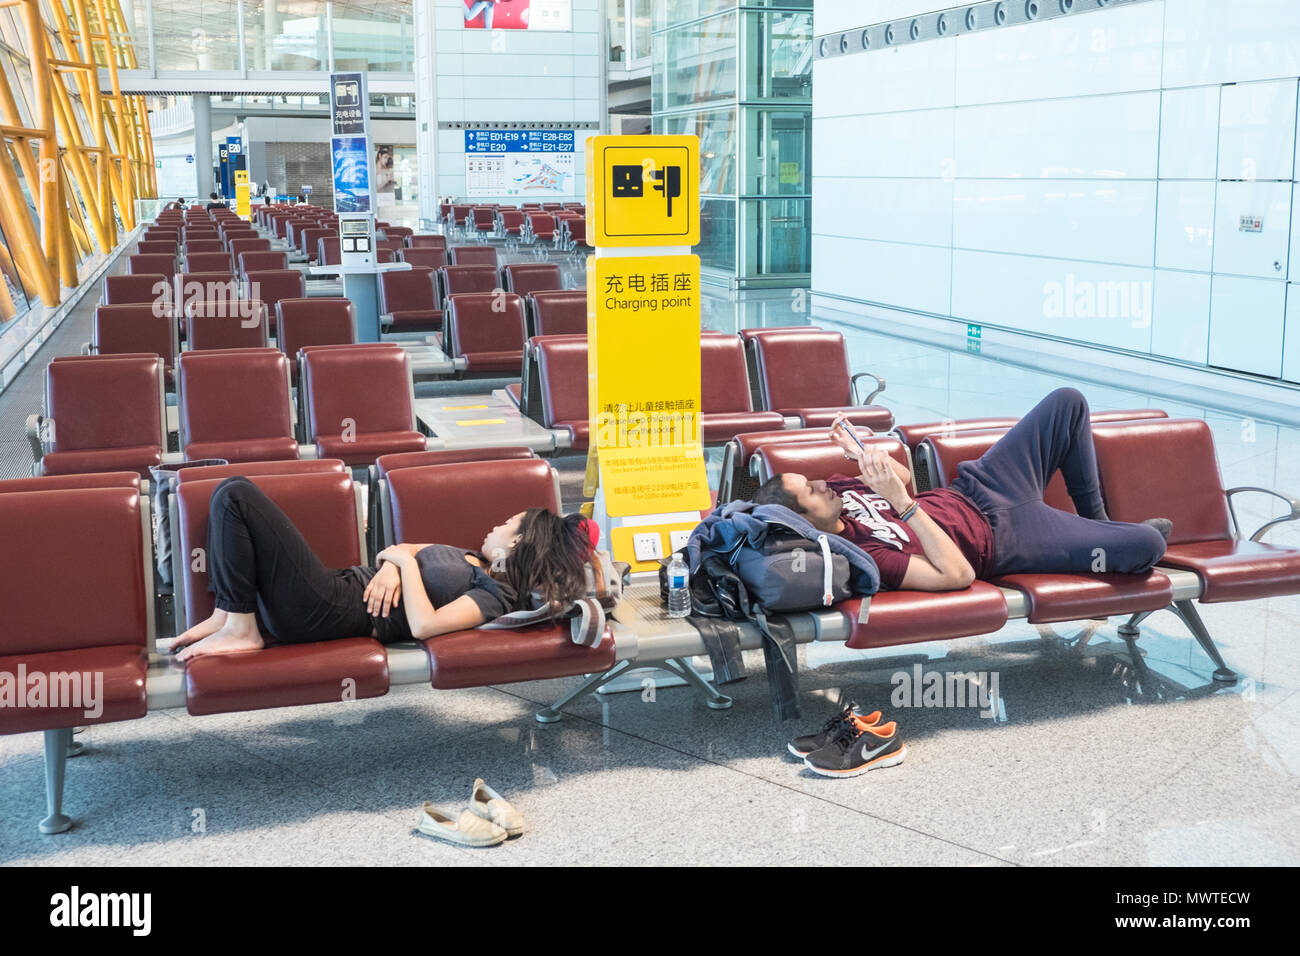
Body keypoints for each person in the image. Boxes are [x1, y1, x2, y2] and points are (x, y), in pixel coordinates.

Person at [752, 388, 1170, 592]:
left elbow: (906, 480)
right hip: (1005, 540)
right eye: (810, 490)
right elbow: (958, 574)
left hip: (981, 486)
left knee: (1068, 402)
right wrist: (901, 504)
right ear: (803, 522)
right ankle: (1112, 541)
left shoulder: (843, 494)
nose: (821, 483)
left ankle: (1098, 527)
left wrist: (857, 453)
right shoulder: (866, 556)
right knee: (1148, 543)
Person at [170, 476, 595, 661]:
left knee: (238, 497)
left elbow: (426, 625)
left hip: (331, 611)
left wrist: (403, 563)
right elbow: (400, 549)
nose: (497, 524)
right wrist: (394, 565)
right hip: (336, 587)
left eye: (507, 523)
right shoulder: (472, 557)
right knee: (228, 490)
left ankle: (242, 629)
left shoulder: (494, 593)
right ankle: (228, 616)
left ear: (517, 542)